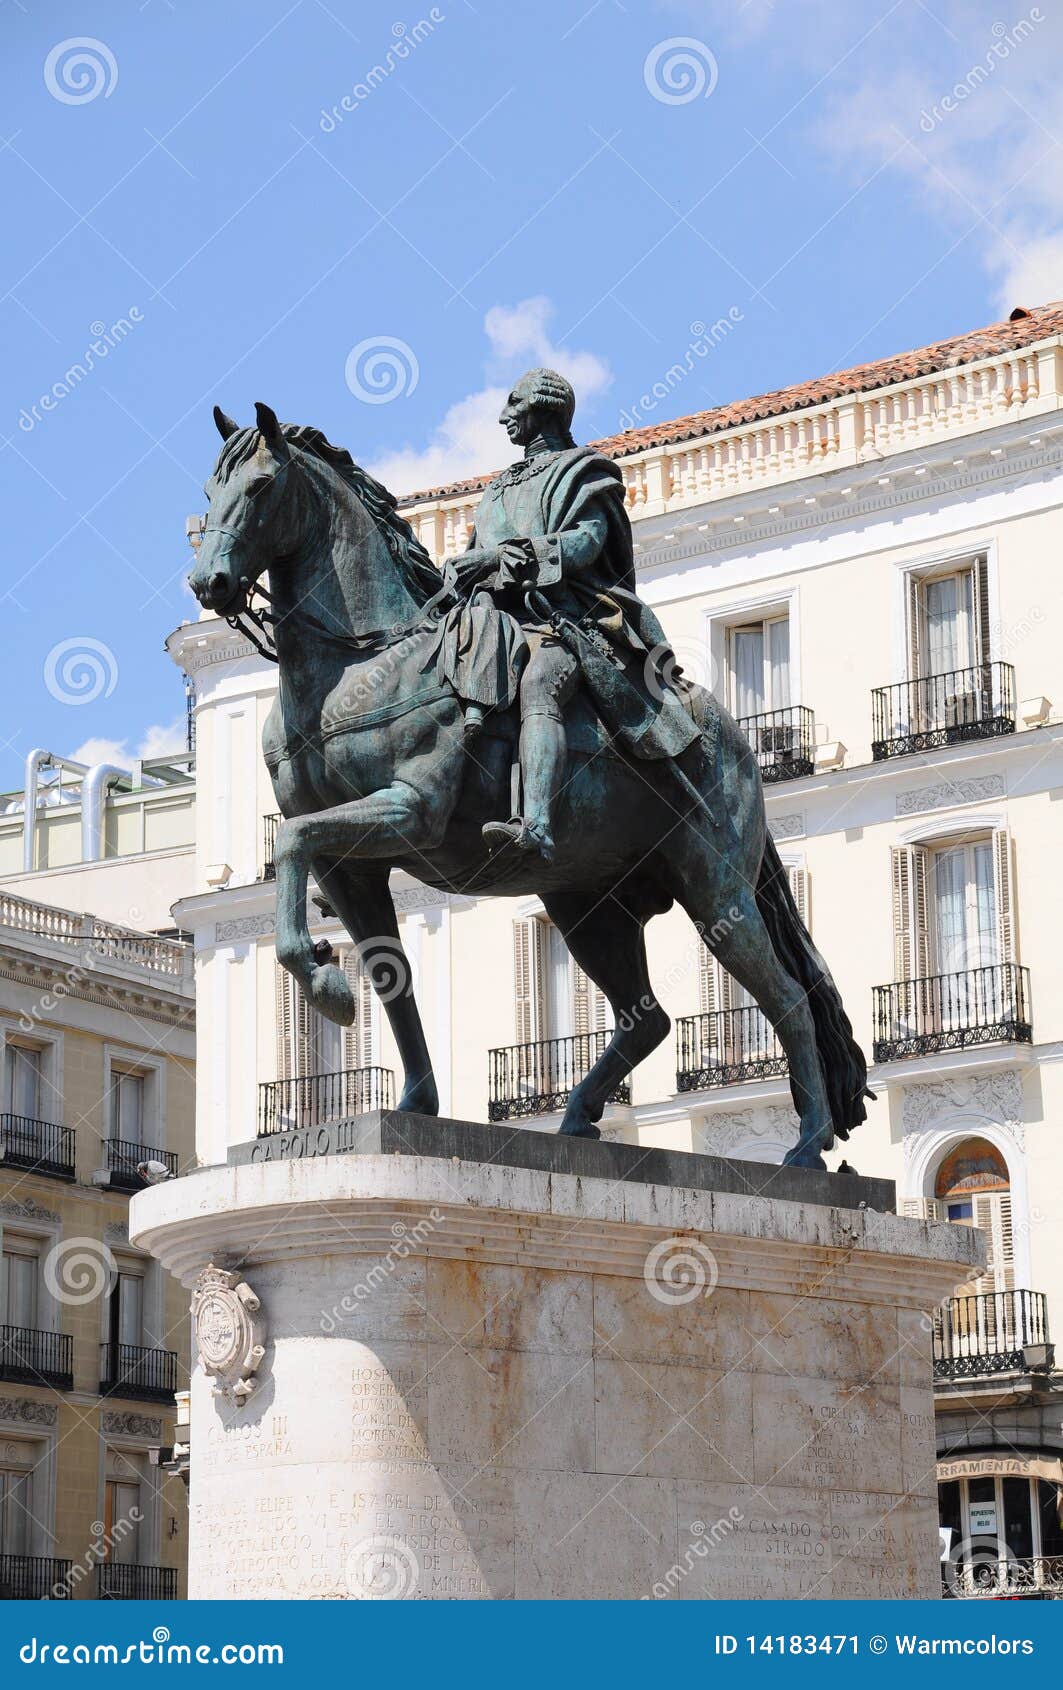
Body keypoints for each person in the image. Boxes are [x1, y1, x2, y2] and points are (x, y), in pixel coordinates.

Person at [450, 367, 698, 861]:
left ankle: (536, 822)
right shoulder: (497, 489)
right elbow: (481, 552)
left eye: (513, 404)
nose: (503, 417)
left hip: (564, 620)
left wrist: (505, 559)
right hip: (495, 622)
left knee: (539, 682)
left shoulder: (584, 472)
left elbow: (585, 544)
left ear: (543, 408)